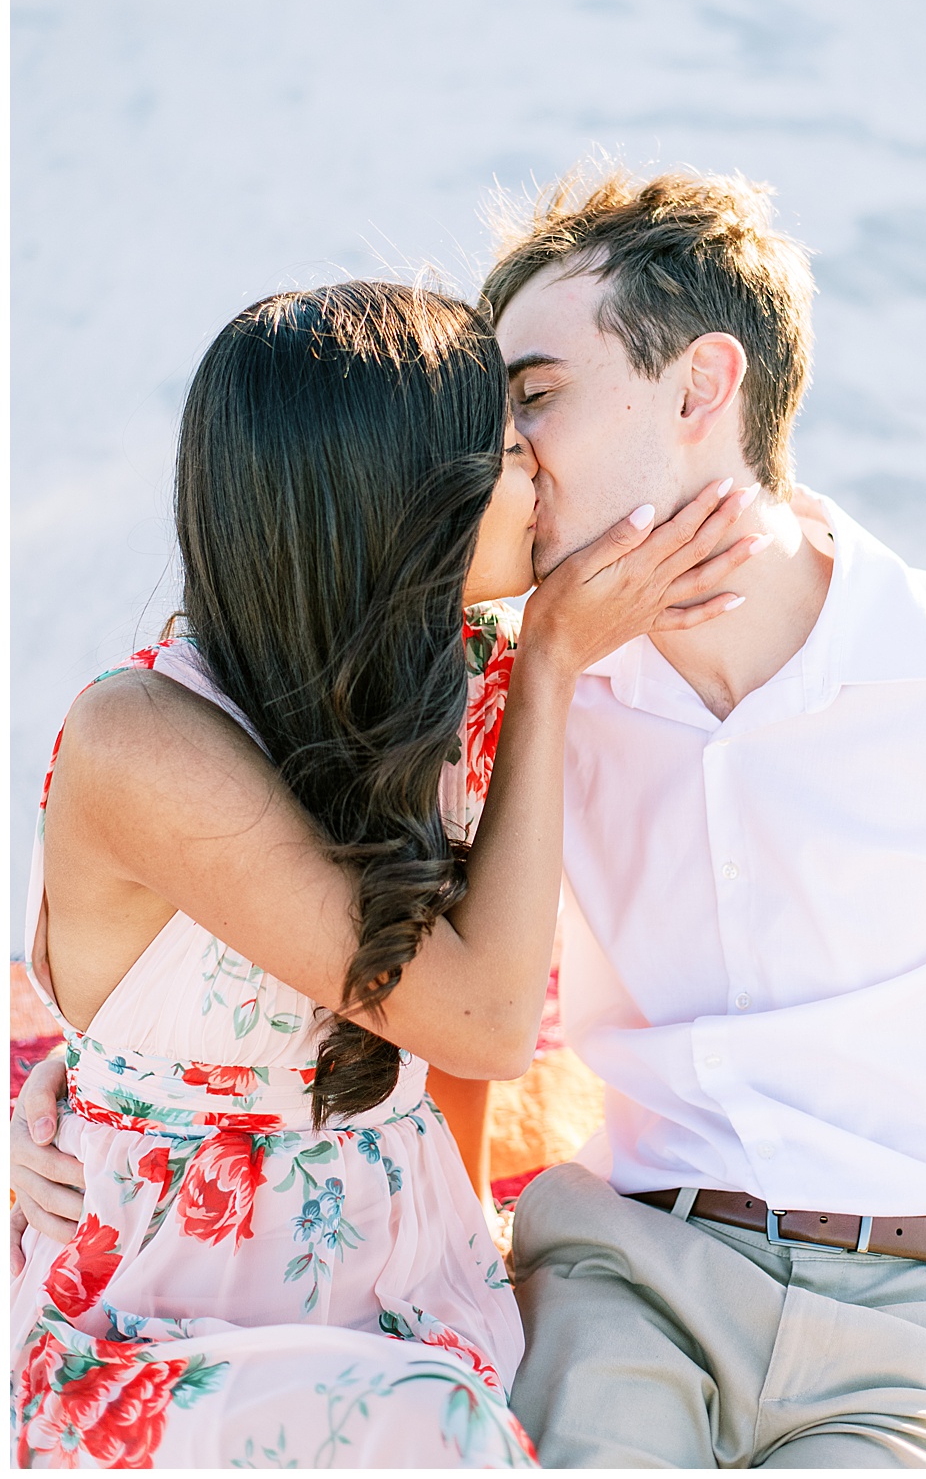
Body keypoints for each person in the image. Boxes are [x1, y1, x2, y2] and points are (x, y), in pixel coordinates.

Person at [11, 169, 926, 1468]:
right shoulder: (509, 689)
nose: (513, 456)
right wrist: (75, 1101)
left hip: (913, 1312)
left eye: (532, 397)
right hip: (618, 1268)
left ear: (701, 388)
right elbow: (440, 1003)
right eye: (496, 419)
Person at [8, 281, 756, 1467]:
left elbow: (440, 1064)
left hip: (401, 1268)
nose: (542, 477)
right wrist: (557, 659)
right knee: (440, 1430)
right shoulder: (142, 736)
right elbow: (487, 1016)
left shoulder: (457, 684)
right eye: (511, 449)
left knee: (480, 1406)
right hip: (154, 1309)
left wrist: (464, 1259)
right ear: (407, 501)